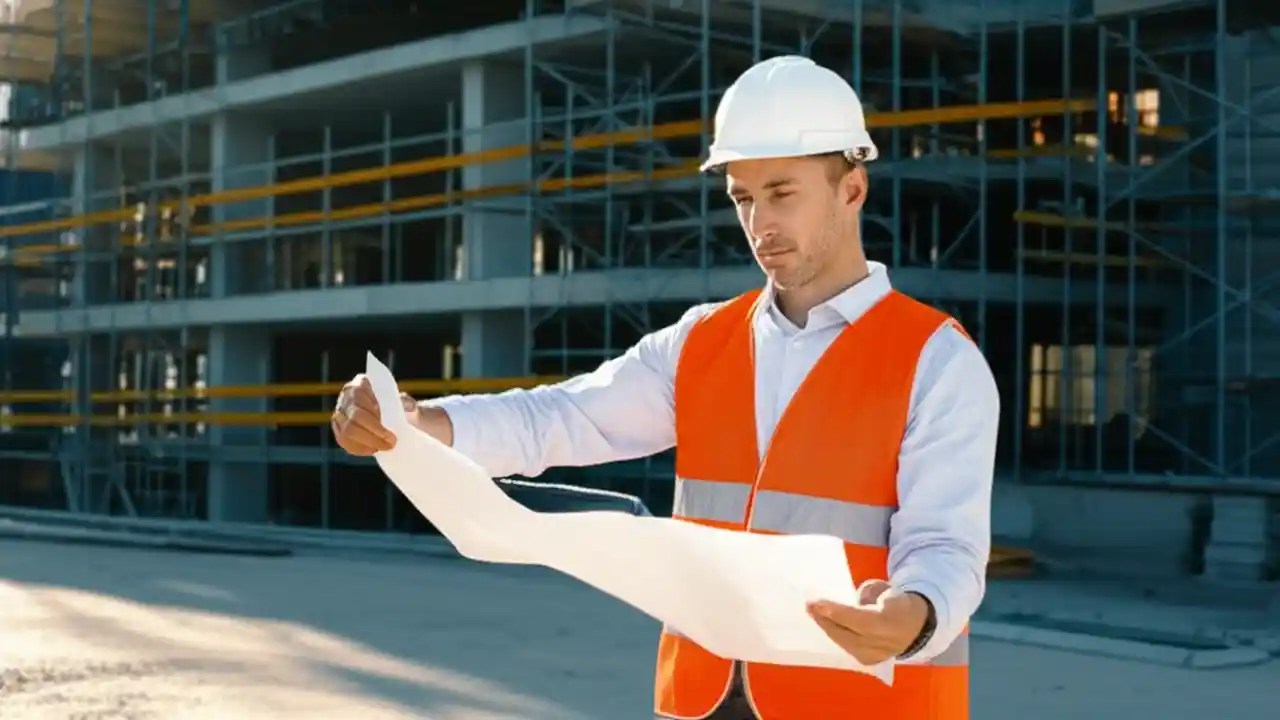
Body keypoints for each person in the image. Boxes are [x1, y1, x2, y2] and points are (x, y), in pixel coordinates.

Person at [331, 54, 998, 720]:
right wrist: (419, 423)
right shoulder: (700, 341)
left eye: (782, 193)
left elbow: (946, 545)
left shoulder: (936, 360)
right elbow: (563, 417)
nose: (760, 224)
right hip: (706, 699)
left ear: (851, 189)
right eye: (743, 198)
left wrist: (915, 615)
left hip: (863, 702)